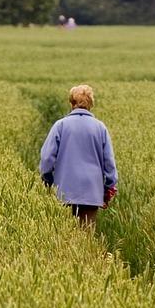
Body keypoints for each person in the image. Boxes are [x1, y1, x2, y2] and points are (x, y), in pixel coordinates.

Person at [39, 84, 117, 229]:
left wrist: (48, 181)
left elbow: (46, 159)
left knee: (65, 235)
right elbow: (109, 164)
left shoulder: (60, 126)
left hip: (63, 190)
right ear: (91, 104)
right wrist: (107, 188)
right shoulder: (100, 128)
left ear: (71, 103)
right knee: (86, 236)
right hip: (92, 192)